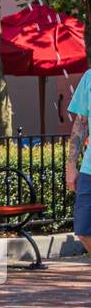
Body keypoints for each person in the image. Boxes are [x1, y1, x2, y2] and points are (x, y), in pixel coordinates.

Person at [66, 69, 91, 256]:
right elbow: (81, 123)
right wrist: (71, 165)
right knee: (84, 231)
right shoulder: (89, 77)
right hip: (89, 169)